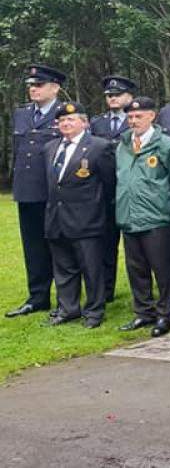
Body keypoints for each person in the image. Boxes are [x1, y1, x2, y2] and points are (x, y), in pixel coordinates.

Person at [42, 101, 116, 328]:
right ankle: (68, 308)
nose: (65, 123)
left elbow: (110, 184)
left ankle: (94, 311)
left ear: (84, 122)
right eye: (62, 120)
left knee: (91, 268)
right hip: (57, 218)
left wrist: (99, 213)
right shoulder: (51, 148)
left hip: (87, 220)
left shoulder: (98, 147)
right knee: (63, 269)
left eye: (71, 119)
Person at [114, 97, 170, 338]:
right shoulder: (123, 145)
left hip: (156, 218)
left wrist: (166, 206)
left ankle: (164, 314)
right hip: (129, 217)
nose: (133, 121)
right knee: (136, 269)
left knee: (162, 269)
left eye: (139, 116)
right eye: (130, 117)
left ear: (152, 116)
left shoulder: (165, 145)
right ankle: (143, 312)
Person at [7, 64, 66, 319]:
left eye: (39, 85)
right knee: (33, 247)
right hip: (28, 190)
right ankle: (37, 297)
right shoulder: (21, 114)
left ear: (55, 87)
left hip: (54, 191)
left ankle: (66, 299)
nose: (34, 89)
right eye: (31, 85)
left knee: (60, 246)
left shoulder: (65, 113)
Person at [91, 74, 136, 304]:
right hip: (104, 192)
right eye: (109, 95)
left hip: (130, 191)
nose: (113, 99)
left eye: (118, 95)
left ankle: (144, 292)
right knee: (105, 245)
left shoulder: (136, 120)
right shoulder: (97, 123)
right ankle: (105, 290)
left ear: (129, 97)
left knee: (137, 248)